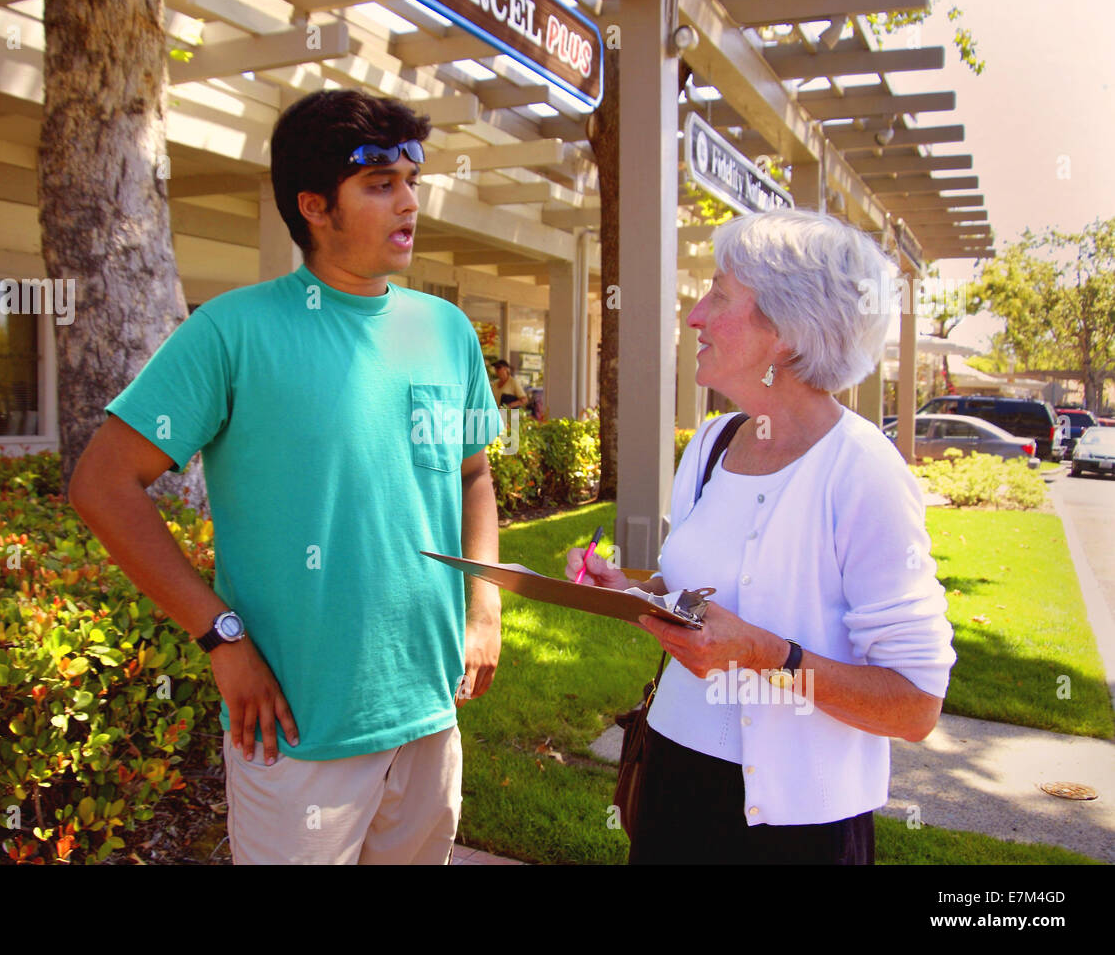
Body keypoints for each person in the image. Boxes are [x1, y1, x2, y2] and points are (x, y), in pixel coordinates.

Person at [68, 89, 504, 864]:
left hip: (431, 710)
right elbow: (102, 484)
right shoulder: (232, 332)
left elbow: (472, 474)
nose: (409, 202)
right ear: (314, 206)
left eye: (411, 180)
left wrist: (486, 604)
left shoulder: (447, 330)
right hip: (296, 731)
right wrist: (220, 635)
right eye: (380, 185)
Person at [567, 209, 956, 864]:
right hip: (669, 780)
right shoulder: (713, 443)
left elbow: (915, 705)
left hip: (794, 831)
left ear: (784, 331)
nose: (695, 315)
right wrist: (630, 589)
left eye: (718, 294)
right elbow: (702, 591)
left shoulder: (863, 470)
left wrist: (766, 656)